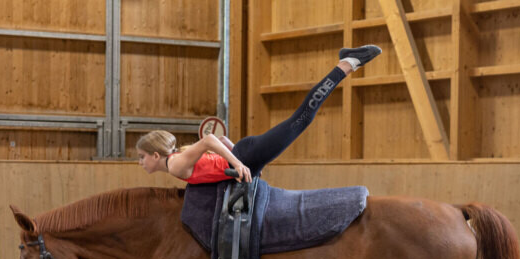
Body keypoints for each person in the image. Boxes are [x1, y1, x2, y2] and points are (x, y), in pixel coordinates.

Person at [135, 45, 382, 184]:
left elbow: (210, 140)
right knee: (300, 120)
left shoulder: (176, 164)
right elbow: (220, 141)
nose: (140, 162)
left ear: (156, 155)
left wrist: (238, 162)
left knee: (302, 119)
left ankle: (347, 63)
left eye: (142, 157)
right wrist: (237, 157)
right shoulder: (176, 160)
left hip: (247, 155)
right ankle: (346, 63)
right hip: (246, 153)